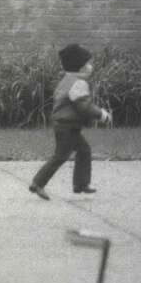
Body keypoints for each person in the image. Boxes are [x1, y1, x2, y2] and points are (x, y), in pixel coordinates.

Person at [29, 44, 112, 200]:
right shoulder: (78, 83)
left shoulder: (67, 80)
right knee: (60, 156)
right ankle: (38, 183)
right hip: (68, 126)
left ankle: (80, 184)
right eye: (88, 63)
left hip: (64, 124)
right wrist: (101, 114)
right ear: (80, 67)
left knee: (83, 150)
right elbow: (84, 106)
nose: (91, 66)